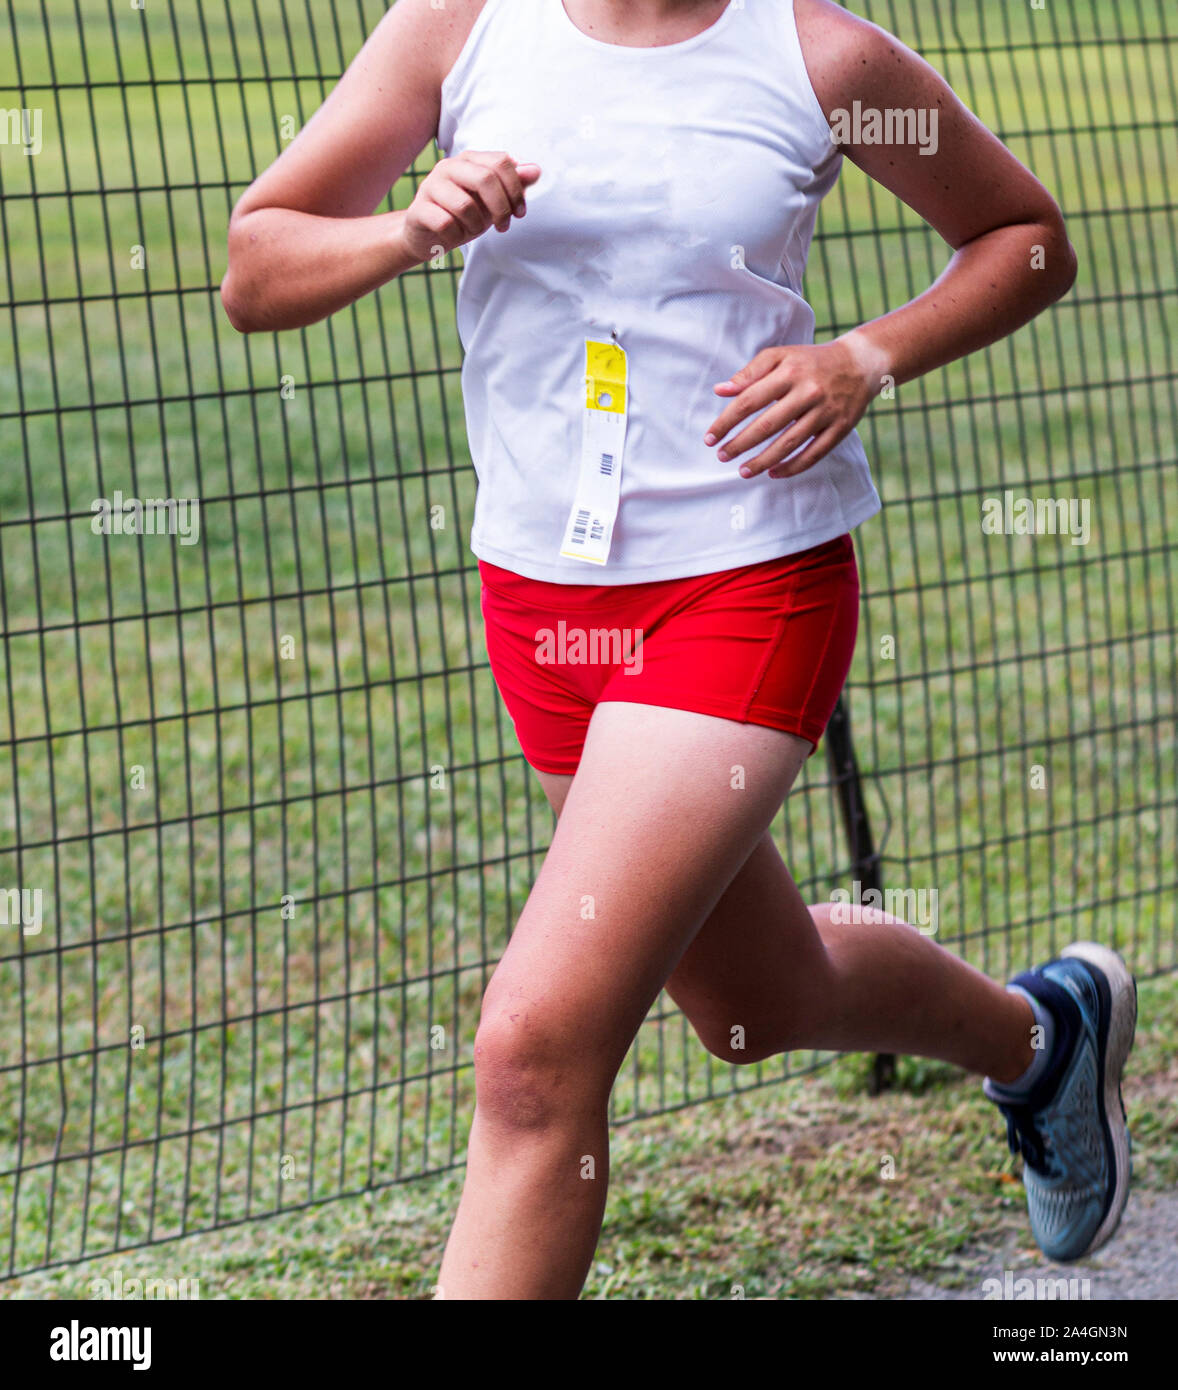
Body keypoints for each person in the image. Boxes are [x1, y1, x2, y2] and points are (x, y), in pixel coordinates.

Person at [220, 0, 1136, 1300]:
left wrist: (864, 356)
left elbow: (1026, 240)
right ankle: (1042, 1040)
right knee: (755, 1004)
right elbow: (257, 268)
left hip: (743, 584)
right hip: (540, 600)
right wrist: (407, 227)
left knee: (533, 1053)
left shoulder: (820, 54)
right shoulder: (457, 26)